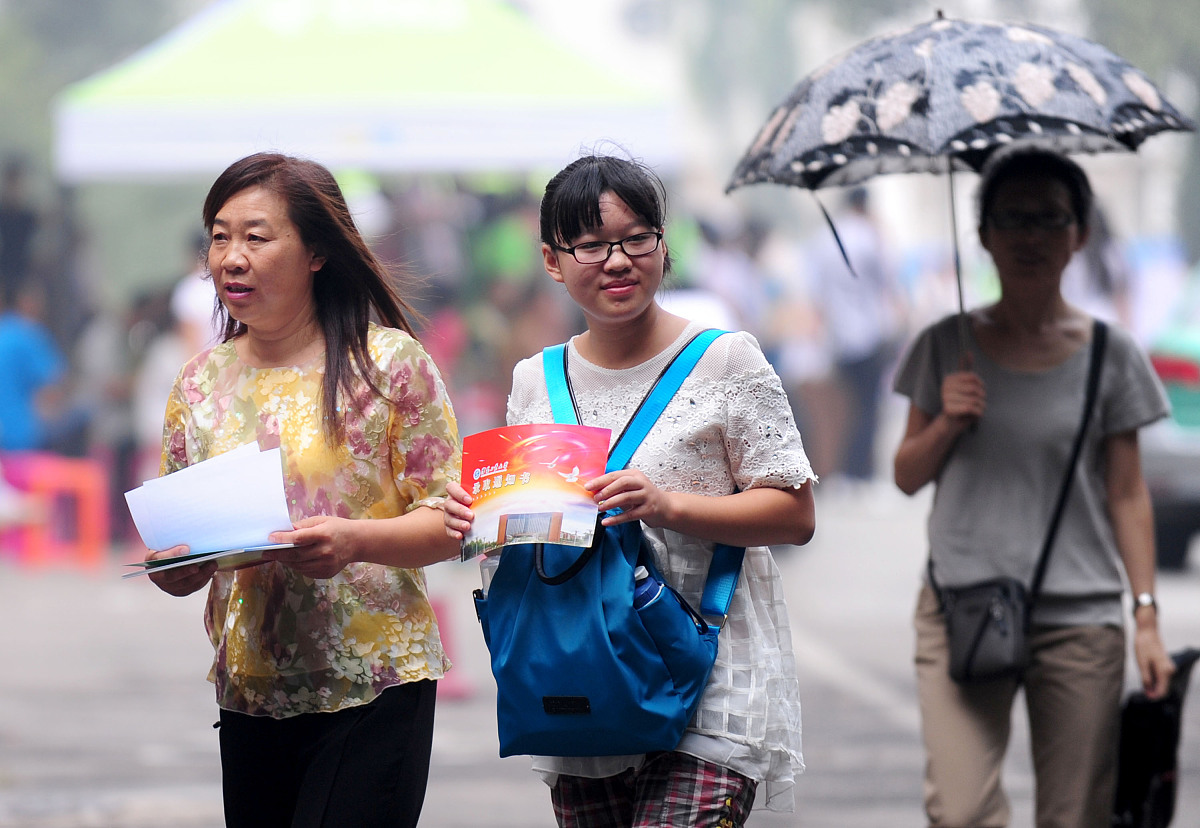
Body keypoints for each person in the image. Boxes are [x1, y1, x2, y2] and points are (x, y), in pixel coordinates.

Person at [443, 154, 817, 827]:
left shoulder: (726, 359)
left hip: (711, 679)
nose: (617, 260)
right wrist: (476, 515)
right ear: (554, 262)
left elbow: (794, 513)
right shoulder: (536, 379)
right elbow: (524, 535)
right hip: (582, 680)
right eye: (590, 244)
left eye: (636, 237)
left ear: (663, 244)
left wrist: (668, 505)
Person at [144, 152, 461, 828]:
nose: (231, 256)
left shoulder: (389, 367)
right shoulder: (199, 386)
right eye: (220, 235)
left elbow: (447, 521)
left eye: (257, 237)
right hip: (252, 689)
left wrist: (353, 541)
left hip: (376, 680)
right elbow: (179, 551)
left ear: (316, 250)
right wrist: (176, 566)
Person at [892, 146, 1175, 828]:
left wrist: (1145, 617)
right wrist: (947, 424)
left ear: (1080, 235)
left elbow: (1129, 494)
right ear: (984, 234)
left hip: (1079, 618)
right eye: (1011, 218)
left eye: (1049, 219)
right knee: (959, 811)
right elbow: (906, 475)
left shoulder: (1114, 355)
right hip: (962, 605)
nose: (1029, 236)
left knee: (1075, 813)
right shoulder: (944, 344)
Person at [807, 186, 906, 486]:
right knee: (869, 407)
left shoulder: (823, 239)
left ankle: (845, 471)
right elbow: (887, 282)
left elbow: (816, 292)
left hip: (838, 336)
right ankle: (864, 471)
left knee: (846, 406)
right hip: (870, 332)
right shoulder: (869, 236)